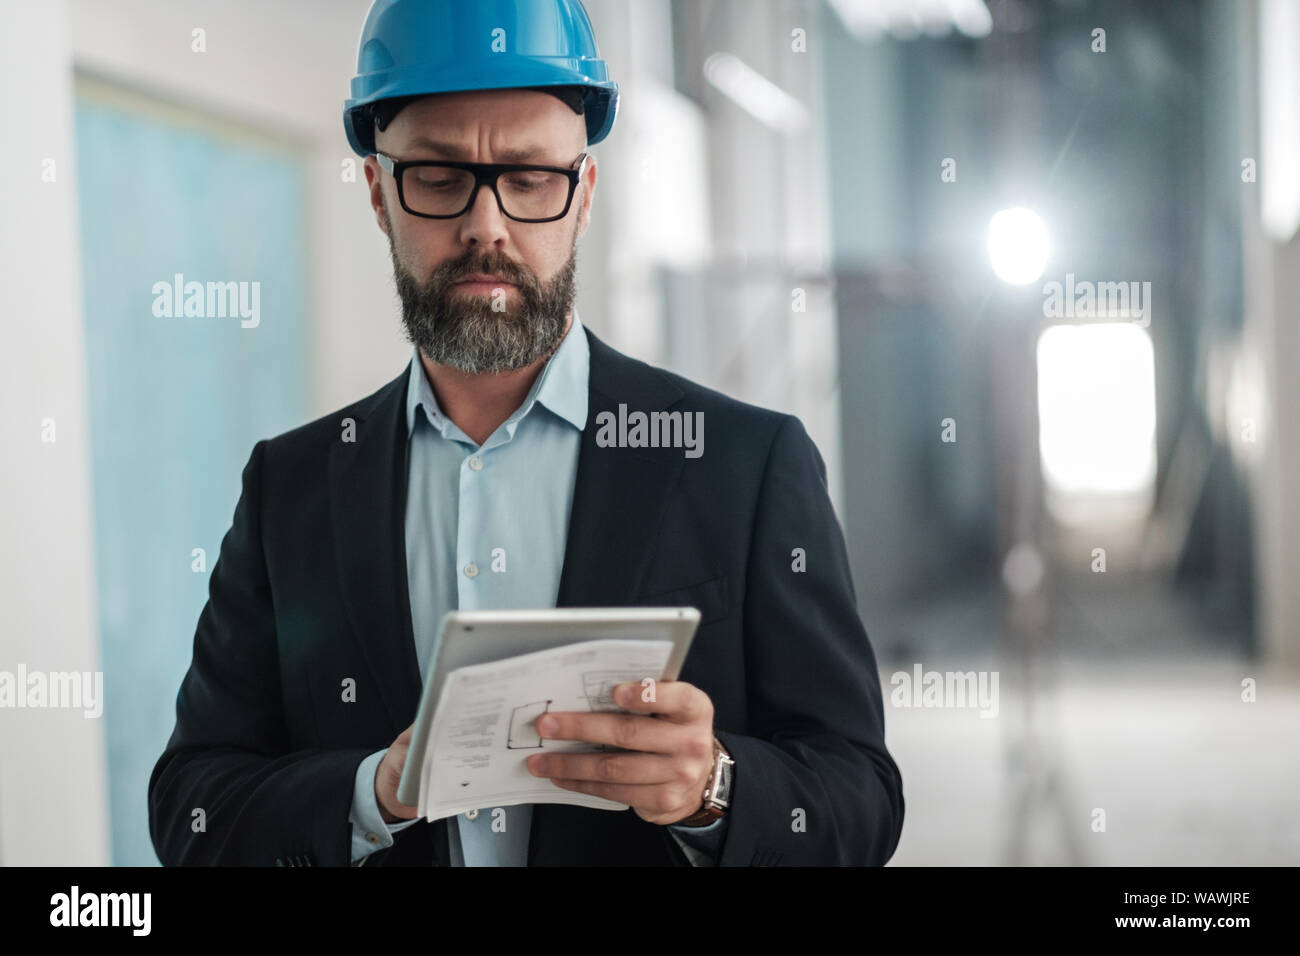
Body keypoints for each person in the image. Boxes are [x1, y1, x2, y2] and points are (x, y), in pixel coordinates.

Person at [148, 0, 904, 867]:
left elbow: (861, 799)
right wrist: (371, 793)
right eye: (439, 177)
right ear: (378, 195)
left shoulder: (744, 464)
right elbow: (190, 807)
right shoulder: (291, 487)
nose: (487, 225)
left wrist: (714, 787)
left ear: (583, 195)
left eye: (530, 179)